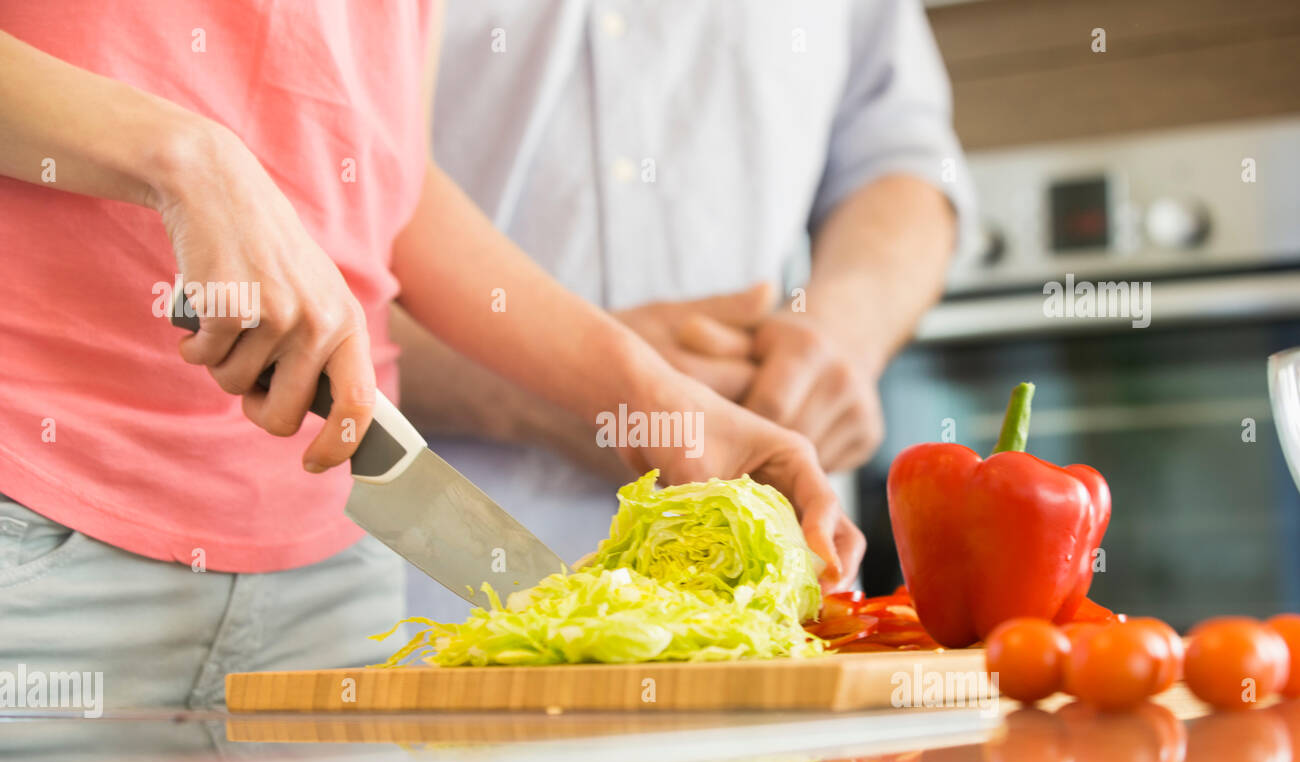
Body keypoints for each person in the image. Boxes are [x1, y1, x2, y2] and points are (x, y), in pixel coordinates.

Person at [0, 1, 861, 710]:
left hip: (332, 566)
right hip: (39, 527)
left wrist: (650, 393)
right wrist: (187, 158)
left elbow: (387, 182)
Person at [394, 0, 972, 622]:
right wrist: (588, 389)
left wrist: (843, 332)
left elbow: (899, 156)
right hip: (428, 584)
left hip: (760, 612)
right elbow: (307, 249)